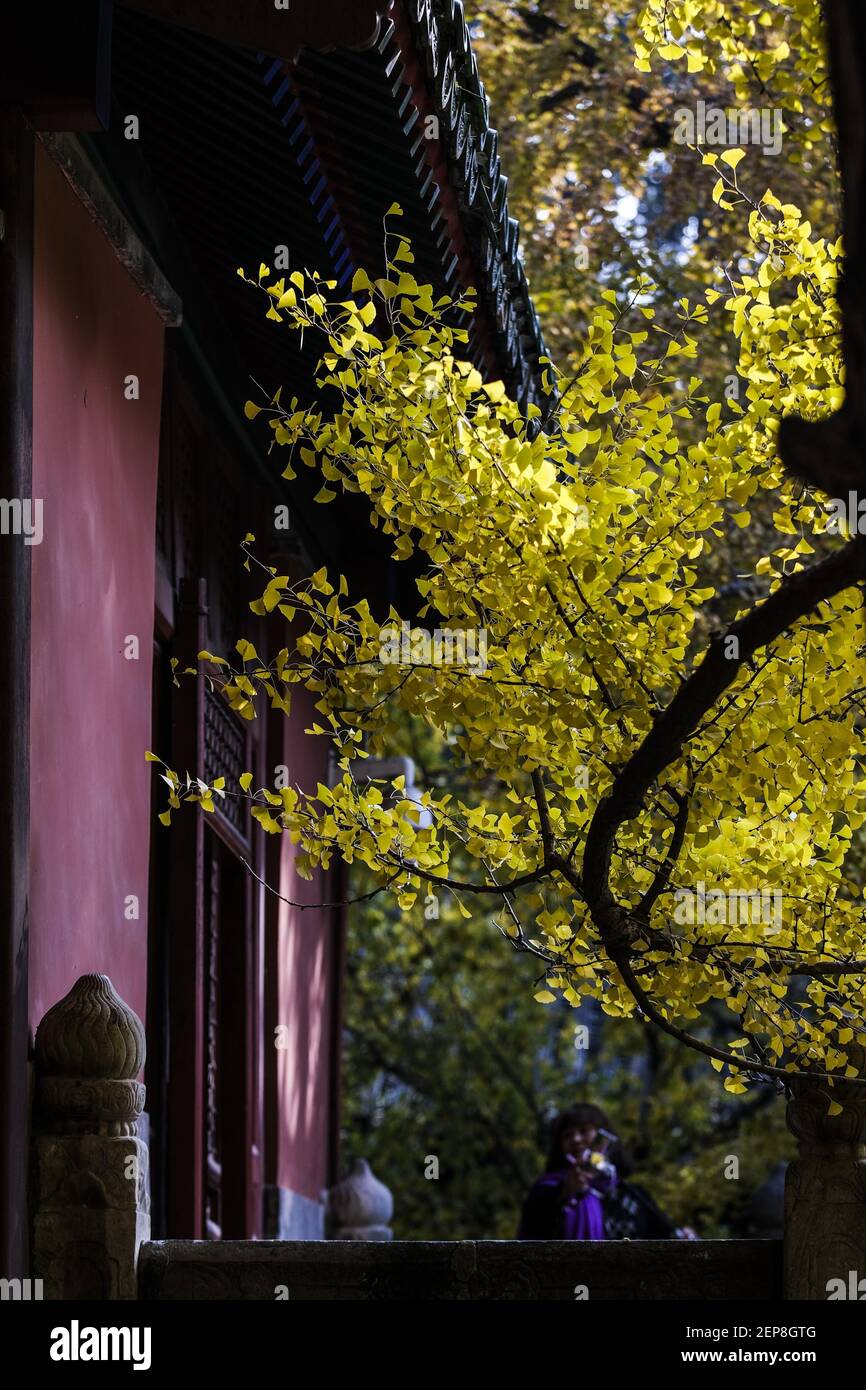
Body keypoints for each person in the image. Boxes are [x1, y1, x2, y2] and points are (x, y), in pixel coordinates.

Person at [518, 1103, 617, 1240]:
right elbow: (532, 1228)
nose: (576, 1140)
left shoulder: (620, 1189)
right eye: (567, 1135)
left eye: (584, 1131)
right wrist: (564, 1192)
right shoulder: (547, 1187)